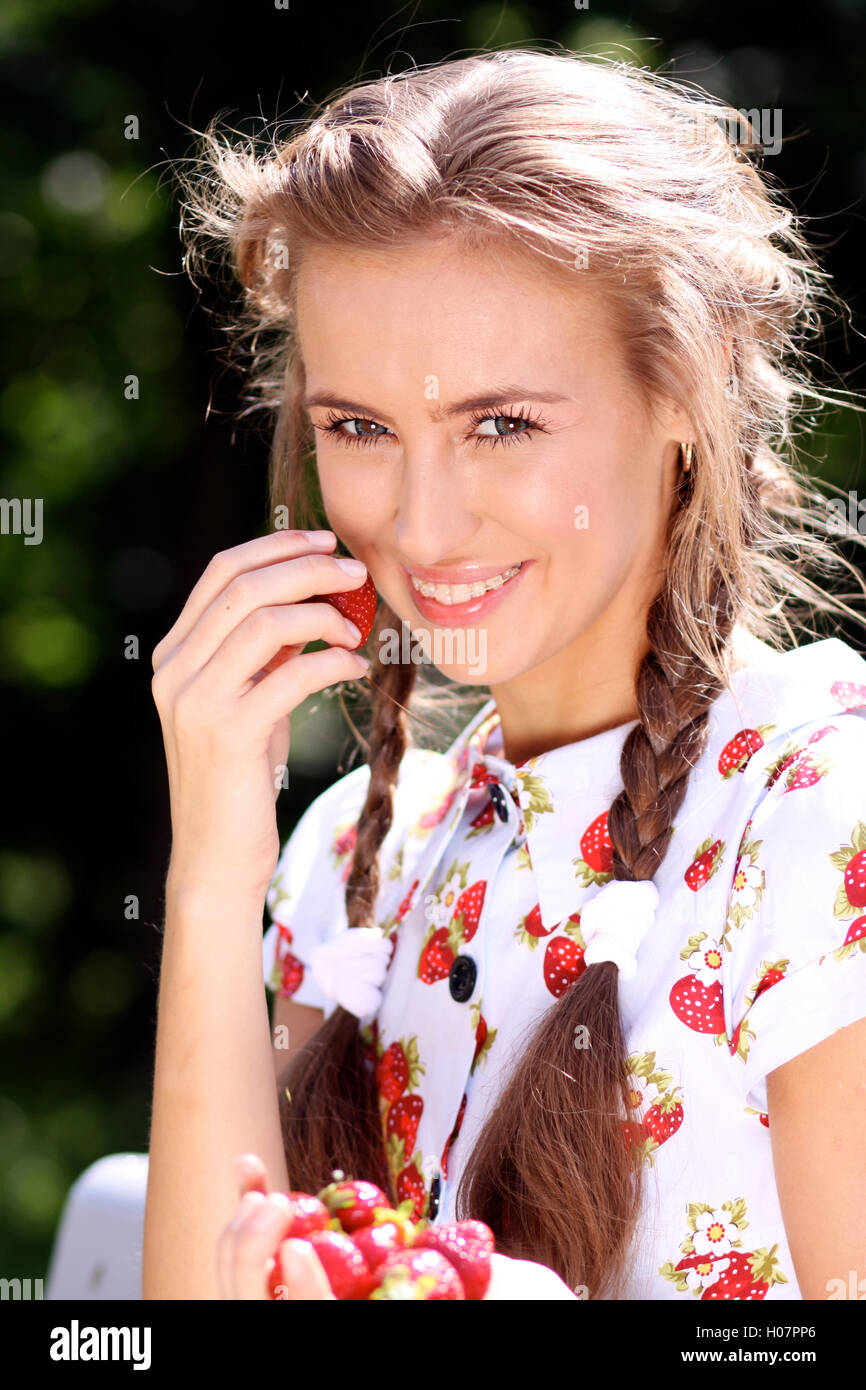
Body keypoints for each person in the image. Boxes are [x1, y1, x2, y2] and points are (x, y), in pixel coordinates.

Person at [144, 49, 866, 1300]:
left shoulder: (815, 813)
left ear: (680, 394)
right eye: (358, 427)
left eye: (502, 423)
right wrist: (212, 871)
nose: (420, 529)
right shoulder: (352, 859)